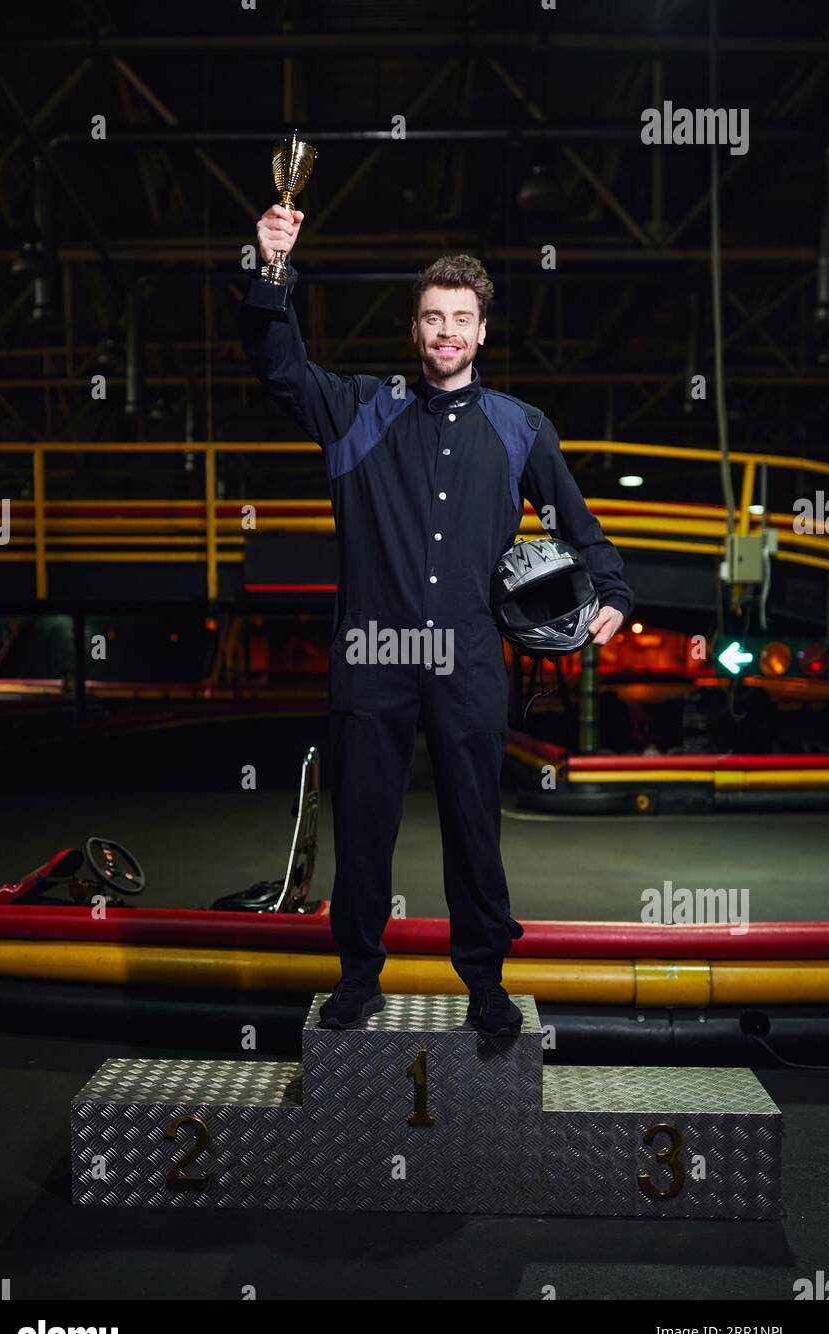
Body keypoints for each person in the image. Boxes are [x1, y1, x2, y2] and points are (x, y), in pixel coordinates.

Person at [240, 203, 633, 1035]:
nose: (446, 331)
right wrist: (271, 268)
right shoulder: (356, 411)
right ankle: (357, 975)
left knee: (473, 828)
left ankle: (485, 981)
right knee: (366, 823)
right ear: (413, 329)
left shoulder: (521, 427)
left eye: (462, 318)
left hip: (468, 657)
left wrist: (612, 595)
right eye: (432, 317)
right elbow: (278, 367)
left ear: (482, 331)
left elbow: (578, 523)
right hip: (372, 652)